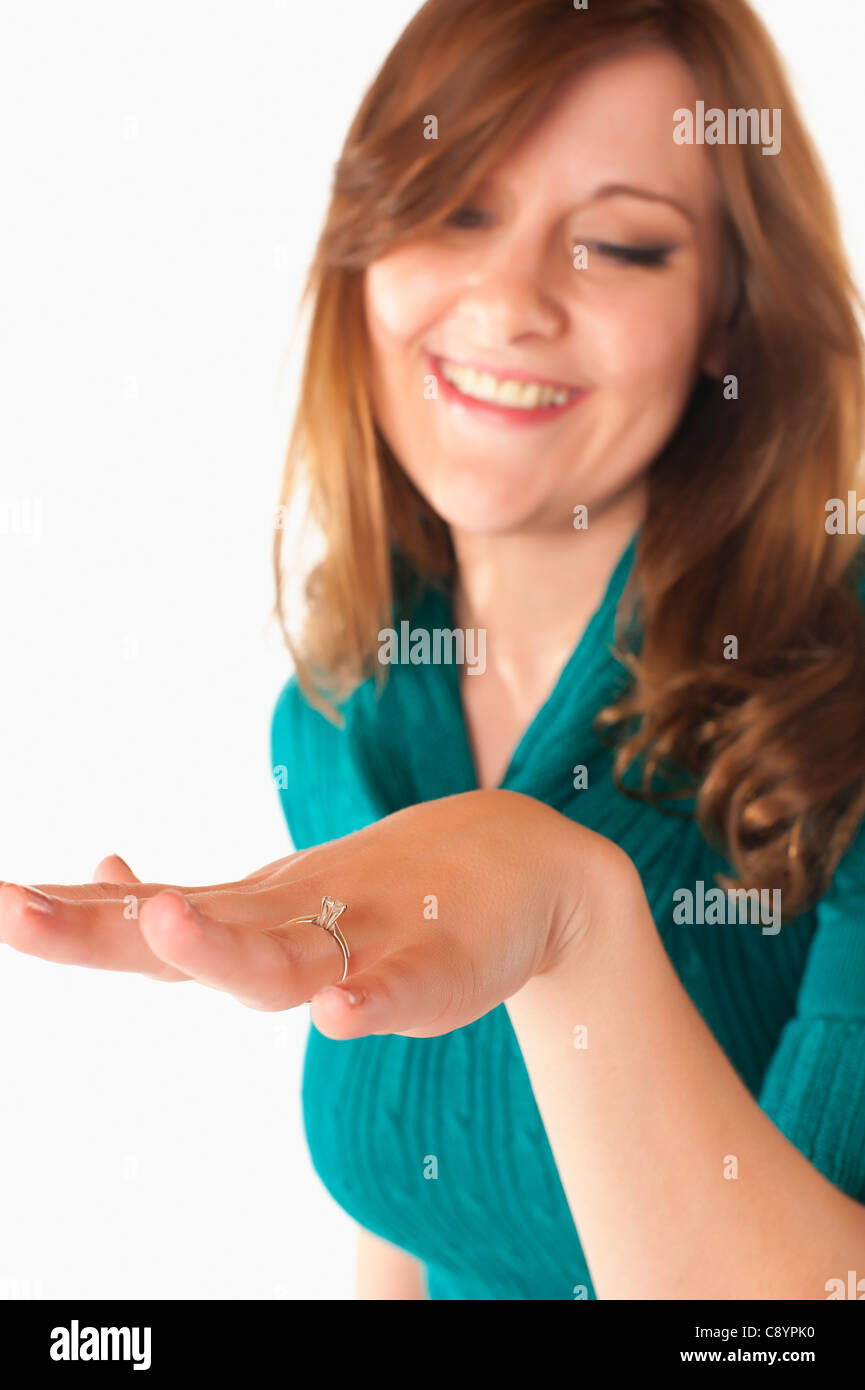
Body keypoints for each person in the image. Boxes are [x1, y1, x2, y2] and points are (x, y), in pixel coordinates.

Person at [4, 0, 865, 1300]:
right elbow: (416, 1224)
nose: (508, 300)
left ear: (726, 322)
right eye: (456, 207)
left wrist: (568, 916)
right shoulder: (343, 711)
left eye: (620, 245)